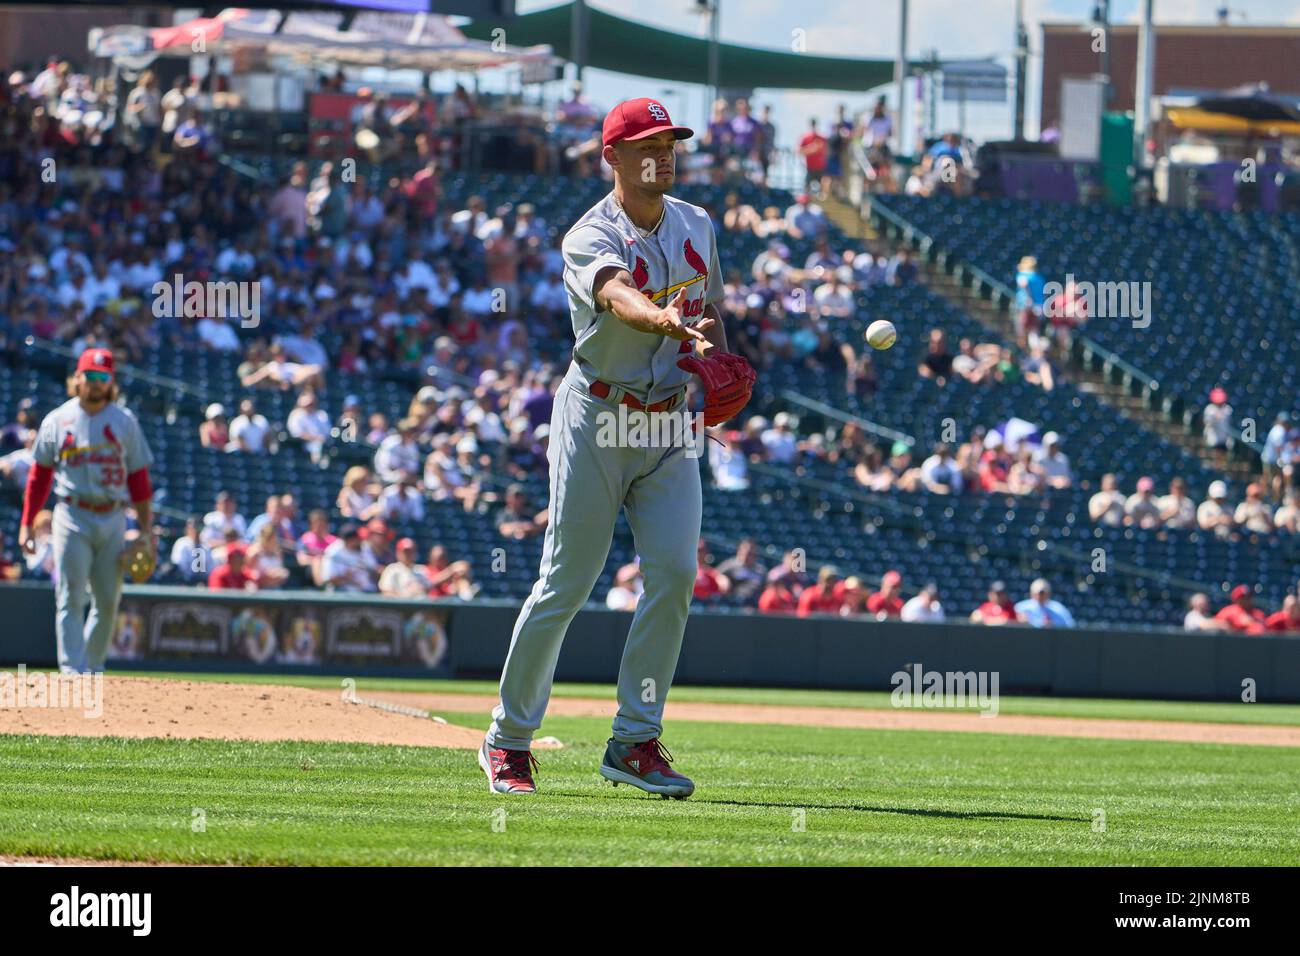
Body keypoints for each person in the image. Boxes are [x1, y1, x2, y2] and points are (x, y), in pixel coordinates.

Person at [482, 97, 746, 800]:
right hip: (598, 415)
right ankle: (509, 740)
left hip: (666, 423)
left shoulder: (696, 222)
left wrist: (718, 358)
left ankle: (633, 740)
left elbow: (708, 309)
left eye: (671, 142)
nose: (663, 153)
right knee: (566, 582)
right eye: (647, 144)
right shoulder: (588, 234)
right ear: (614, 156)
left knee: (675, 575)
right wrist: (663, 319)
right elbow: (617, 294)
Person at [20, 348, 155, 673]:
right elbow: (39, 478)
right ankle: (71, 672)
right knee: (70, 596)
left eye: (102, 378)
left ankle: (92, 669)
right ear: (76, 379)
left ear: (111, 382)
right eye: (89, 377)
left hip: (113, 516)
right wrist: (27, 524)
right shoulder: (57, 420)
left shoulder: (124, 421)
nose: (96, 383)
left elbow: (139, 481)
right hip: (72, 514)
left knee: (108, 601)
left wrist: (148, 531)